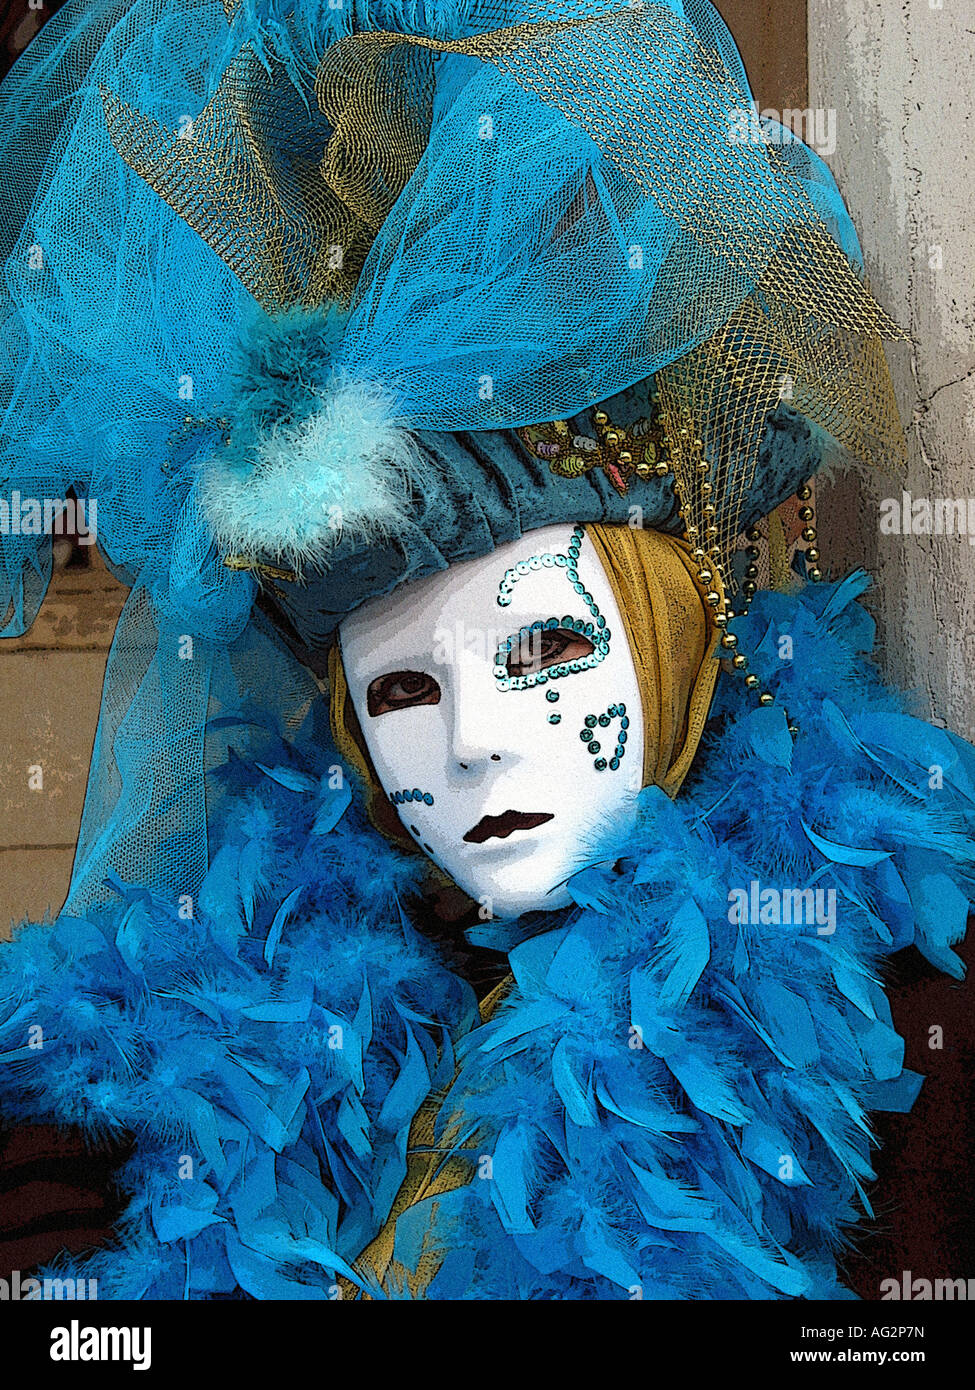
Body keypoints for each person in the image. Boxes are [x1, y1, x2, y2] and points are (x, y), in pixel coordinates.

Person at [0, 0, 972, 1300]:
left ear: (682, 622)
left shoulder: (891, 1024)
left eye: (546, 647)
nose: (470, 742)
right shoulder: (219, 1017)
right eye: (402, 686)